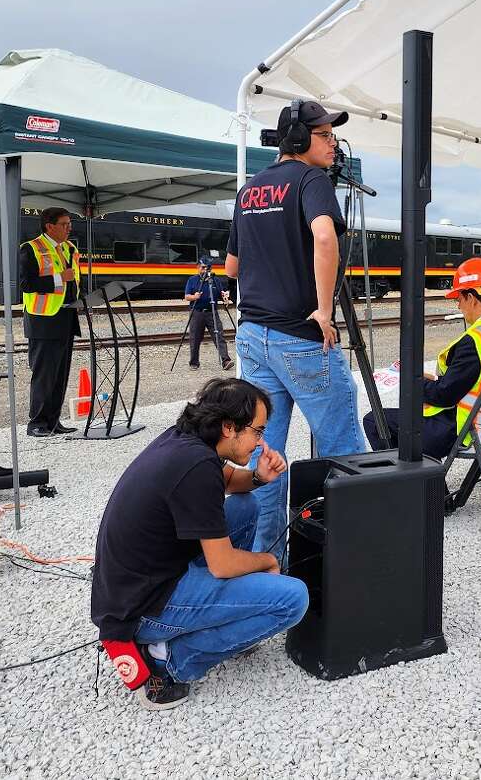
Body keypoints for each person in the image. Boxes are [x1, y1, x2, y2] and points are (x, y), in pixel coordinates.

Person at [91, 378, 307, 709]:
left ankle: (222, 618)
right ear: (229, 427)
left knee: (246, 507)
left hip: (137, 585)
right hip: (143, 608)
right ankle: (168, 660)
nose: (260, 443)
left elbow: (232, 483)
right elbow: (223, 565)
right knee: (293, 599)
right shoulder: (196, 467)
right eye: (258, 432)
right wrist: (267, 561)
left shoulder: (187, 442)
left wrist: (260, 476)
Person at [225, 98, 365, 559]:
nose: (333, 144)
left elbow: (232, 266)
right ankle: (350, 559)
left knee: (263, 457)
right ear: (300, 140)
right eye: (325, 136)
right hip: (301, 339)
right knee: (343, 450)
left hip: (254, 337)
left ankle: (269, 560)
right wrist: (324, 309)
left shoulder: (248, 191)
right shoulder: (311, 180)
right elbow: (325, 237)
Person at [363, 257, 481, 462]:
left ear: (471, 297)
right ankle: (426, 483)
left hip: (465, 429)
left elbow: (444, 397)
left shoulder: (475, 341)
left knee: (375, 420)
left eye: (458, 298)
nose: (458, 305)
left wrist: (414, 380)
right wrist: (435, 381)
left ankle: (421, 486)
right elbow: (472, 380)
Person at [20, 207, 81, 437]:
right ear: (49, 226)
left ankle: (53, 421)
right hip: (42, 320)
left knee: (60, 375)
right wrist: (58, 278)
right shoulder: (31, 248)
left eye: (69, 224)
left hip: (66, 317)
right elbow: (25, 284)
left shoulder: (70, 248)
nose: (69, 228)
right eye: (64, 224)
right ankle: (36, 423)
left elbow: (73, 282)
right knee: (44, 374)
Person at [183, 257, 234, 371]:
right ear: (198, 268)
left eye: (208, 268)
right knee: (195, 338)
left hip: (212, 312)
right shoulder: (192, 280)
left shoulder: (215, 280)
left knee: (219, 336)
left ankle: (225, 360)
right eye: (203, 268)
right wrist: (194, 297)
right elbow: (186, 296)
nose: (205, 270)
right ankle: (194, 362)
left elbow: (222, 295)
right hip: (197, 312)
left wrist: (225, 298)